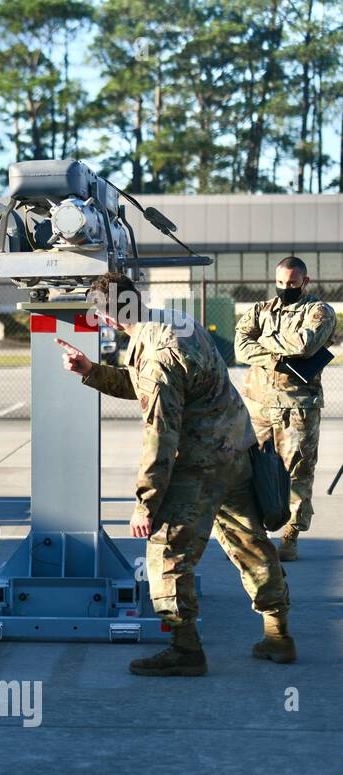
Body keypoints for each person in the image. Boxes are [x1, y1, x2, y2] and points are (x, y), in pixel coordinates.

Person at [58, 272, 294, 674]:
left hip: (199, 464)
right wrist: (92, 371)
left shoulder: (157, 355)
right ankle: (278, 636)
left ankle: (185, 650)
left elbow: (160, 436)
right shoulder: (175, 322)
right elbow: (152, 385)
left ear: (108, 318)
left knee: (167, 552)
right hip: (236, 451)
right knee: (251, 544)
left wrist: (145, 504)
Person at [234, 256, 336, 561]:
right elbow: (240, 346)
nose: (285, 288)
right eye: (280, 283)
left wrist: (263, 341)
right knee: (251, 470)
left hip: (297, 409)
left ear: (305, 281)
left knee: (297, 473)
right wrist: (278, 356)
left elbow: (305, 344)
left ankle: (290, 535)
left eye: (291, 283)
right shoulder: (260, 309)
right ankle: (255, 535)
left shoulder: (319, 311)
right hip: (259, 406)